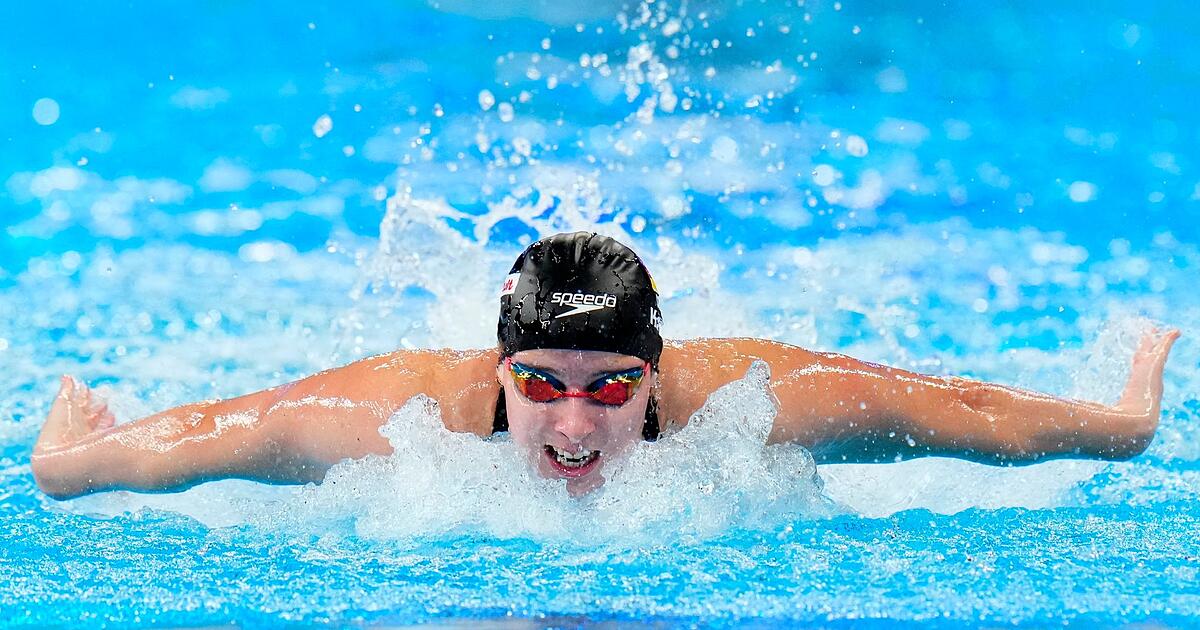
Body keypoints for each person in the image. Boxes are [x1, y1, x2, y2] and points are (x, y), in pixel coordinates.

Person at [31, 232, 1181, 500]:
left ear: (655, 375)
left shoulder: (747, 402)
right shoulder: (399, 417)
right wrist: (69, 459)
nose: (573, 421)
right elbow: (212, 433)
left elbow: (963, 412)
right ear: (497, 370)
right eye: (539, 383)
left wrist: (1123, 421)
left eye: (610, 385)